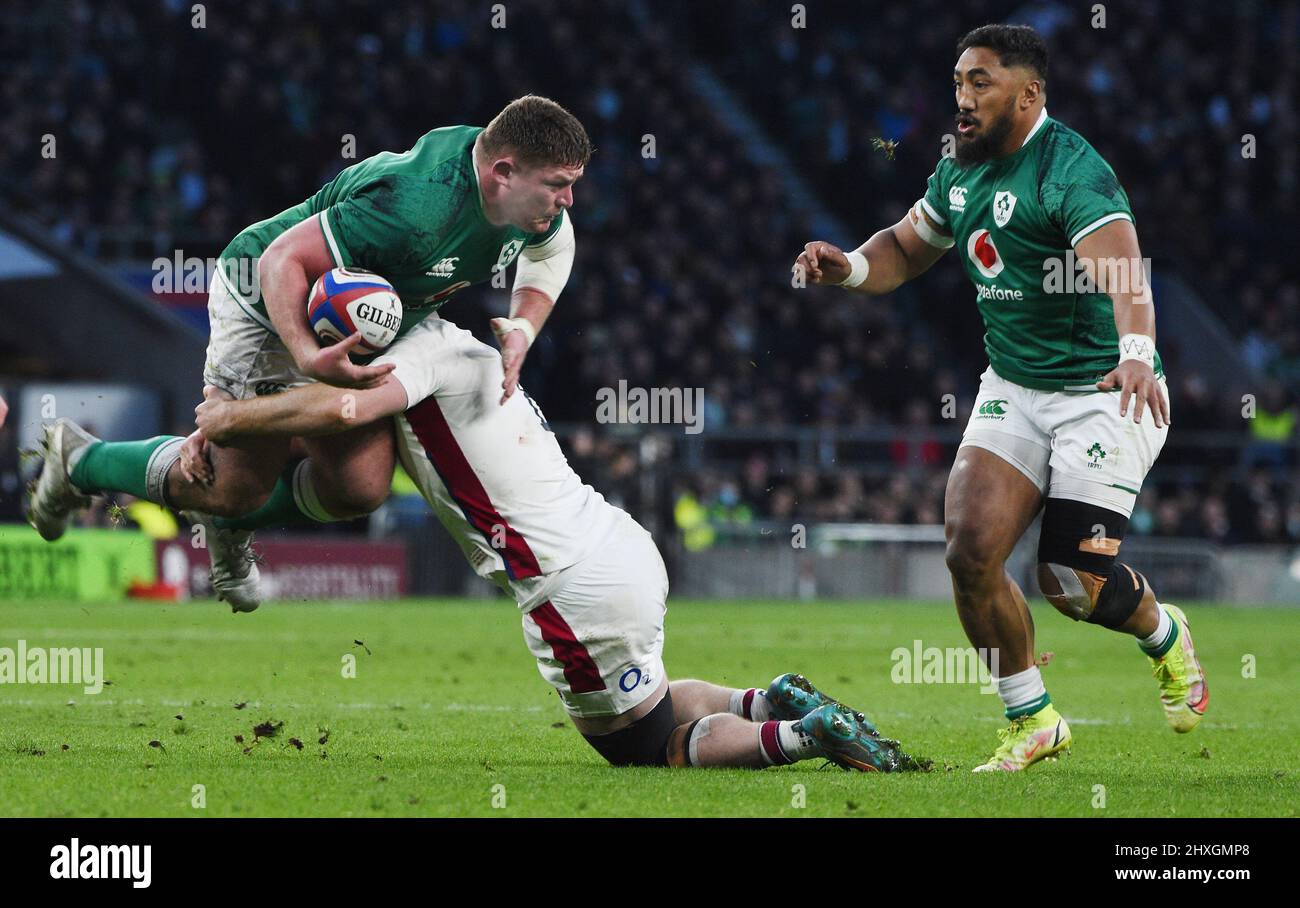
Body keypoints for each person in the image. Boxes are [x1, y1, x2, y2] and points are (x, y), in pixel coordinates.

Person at [180, 313, 918, 772]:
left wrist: (228, 419)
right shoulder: (462, 344)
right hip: (618, 541)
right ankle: (767, 699)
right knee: (654, 698)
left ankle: (804, 736)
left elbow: (344, 408)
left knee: (640, 746)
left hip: (571, 585)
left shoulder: (402, 365)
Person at [794, 24, 1207, 771]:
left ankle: (1163, 633)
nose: (962, 98)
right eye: (958, 82)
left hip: (1103, 391)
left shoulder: (1072, 172)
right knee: (970, 549)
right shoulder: (960, 169)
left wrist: (1139, 354)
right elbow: (908, 246)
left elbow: (1124, 276)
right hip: (1013, 386)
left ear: (1029, 93)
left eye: (980, 82)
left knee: (1071, 586)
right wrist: (850, 267)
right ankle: (1033, 718)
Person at [29, 96, 588, 612]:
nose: (567, 201)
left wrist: (521, 324)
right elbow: (280, 260)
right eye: (558, 185)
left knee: (359, 488)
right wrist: (305, 355)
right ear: (504, 172)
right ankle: (80, 459)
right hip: (268, 302)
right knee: (233, 486)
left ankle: (233, 510)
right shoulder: (415, 205)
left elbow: (551, 251)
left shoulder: (527, 201)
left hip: (354, 326)